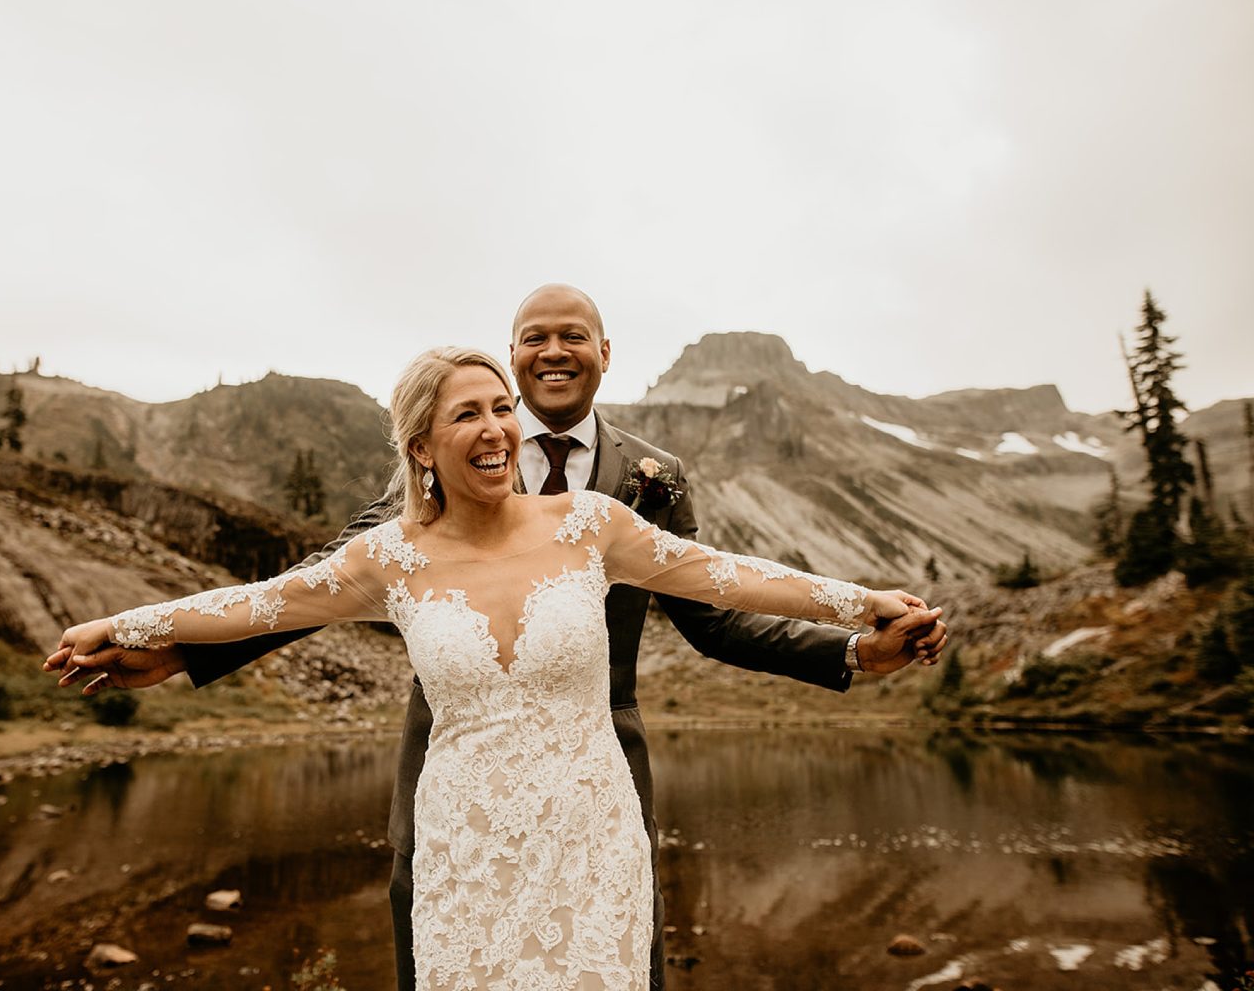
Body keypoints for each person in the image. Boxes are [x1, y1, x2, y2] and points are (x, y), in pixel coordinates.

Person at [46, 284, 948, 990]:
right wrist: (147, 636)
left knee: (620, 964)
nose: (495, 427)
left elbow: (724, 589)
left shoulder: (625, 500)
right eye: (474, 408)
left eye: (501, 408)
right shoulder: (402, 536)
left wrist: (857, 618)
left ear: (602, 354)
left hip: (595, 784)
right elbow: (283, 596)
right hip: (458, 795)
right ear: (425, 445)